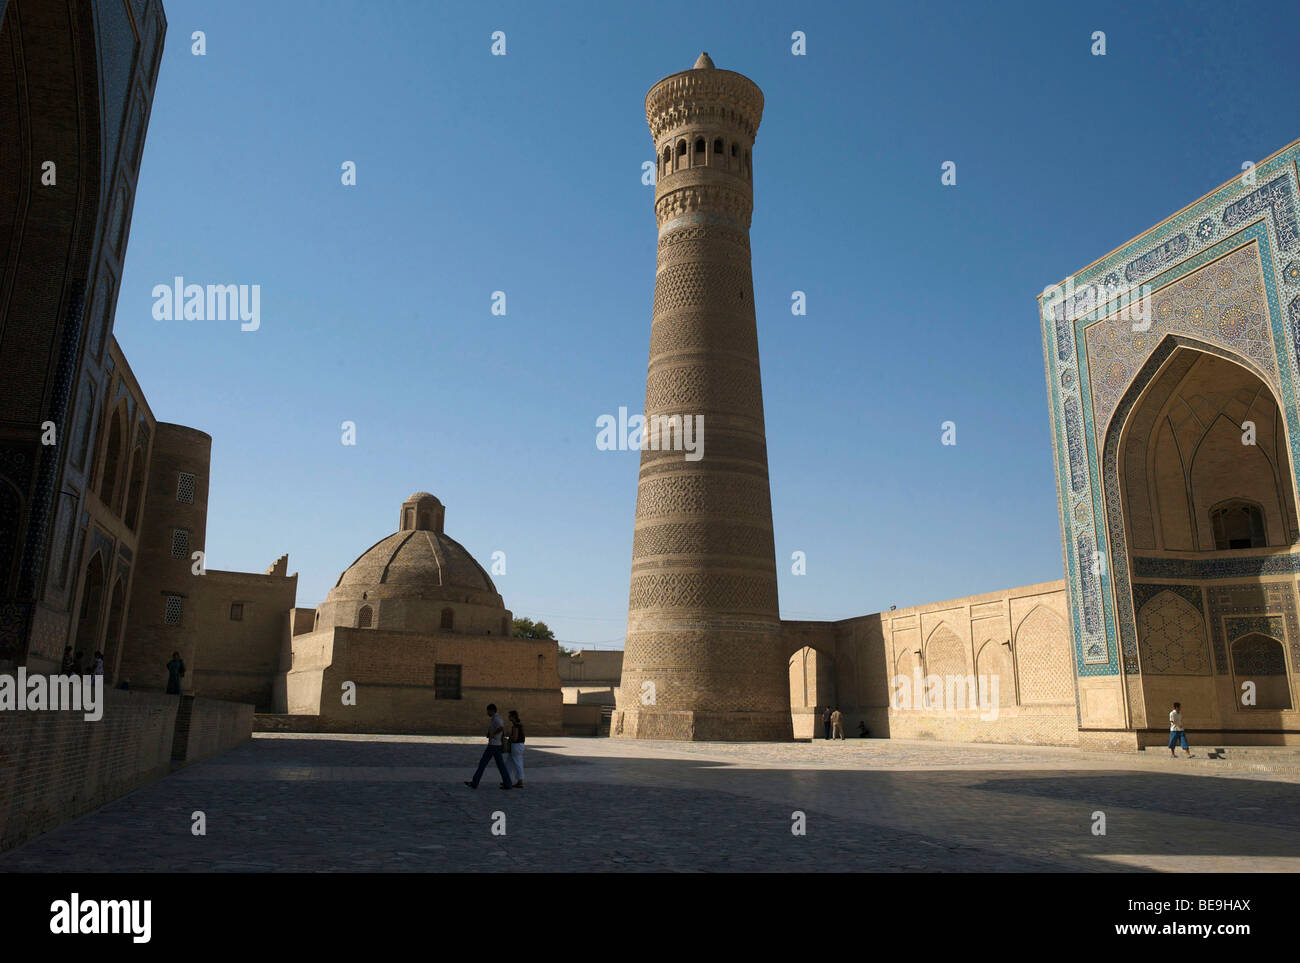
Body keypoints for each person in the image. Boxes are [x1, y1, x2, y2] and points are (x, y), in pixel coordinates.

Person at [464, 703, 513, 790]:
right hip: (496, 745)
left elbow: (501, 728)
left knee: (482, 764)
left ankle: (474, 783)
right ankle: (508, 783)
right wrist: (490, 733)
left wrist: (493, 734)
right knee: (501, 765)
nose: (487, 713)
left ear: (492, 710)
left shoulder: (497, 719)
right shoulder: (495, 718)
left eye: (488, 711)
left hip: (493, 745)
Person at [505, 710, 526, 788]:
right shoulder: (518, 725)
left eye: (509, 716)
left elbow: (515, 738)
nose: (508, 717)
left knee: (518, 763)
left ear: (513, 717)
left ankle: (520, 781)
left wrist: (509, 737)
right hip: (518, 746)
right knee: (508, 763)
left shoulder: (516, 726)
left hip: (516, 746)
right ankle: (506, 779)